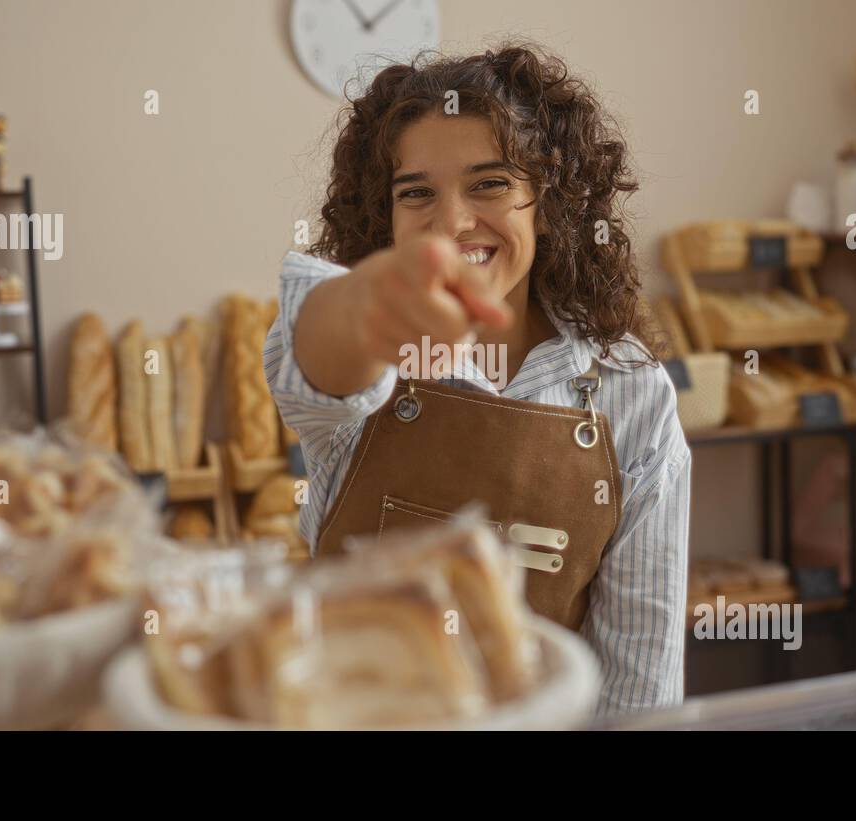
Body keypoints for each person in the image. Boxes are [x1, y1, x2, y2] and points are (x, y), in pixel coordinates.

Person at [264, 44, 691, 714]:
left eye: (489, 183)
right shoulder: (368, 354)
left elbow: (640, 683)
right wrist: (361, 303)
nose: (452, 222)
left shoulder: (631, 392)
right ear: (386, 219)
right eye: (416, 194)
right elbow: (310, 358)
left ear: (546, 204)